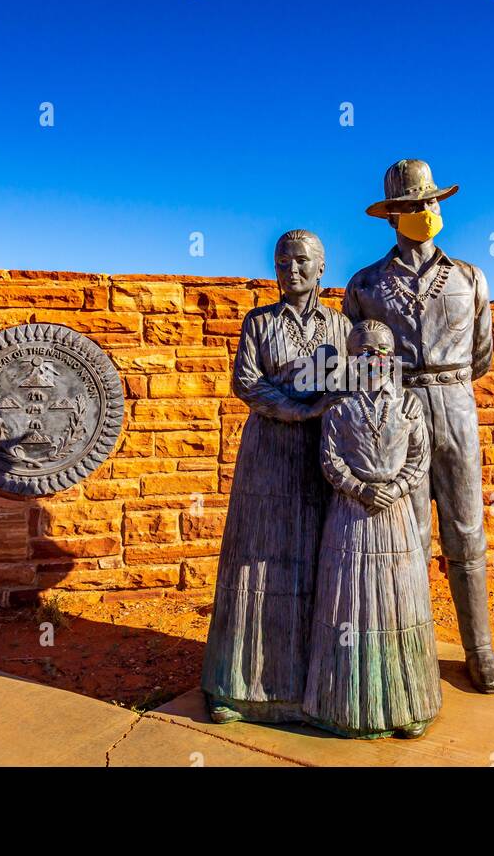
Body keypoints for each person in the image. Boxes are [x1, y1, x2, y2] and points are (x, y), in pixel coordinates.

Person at [343, 159, 494, 693]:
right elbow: (352, 356)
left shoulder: (469, 277)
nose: (427, 211)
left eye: (432, 202)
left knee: (467, 530)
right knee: (406, 535)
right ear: (393, 215)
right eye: (415, 205)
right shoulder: (366, 284)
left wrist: (448, 384)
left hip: (456, 403)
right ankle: (412, 650)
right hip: (398, 408)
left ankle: (478, 650)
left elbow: (481, 354)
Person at [200, 229, 352, 724]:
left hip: (320, 454)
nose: (291, 269)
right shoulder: (258, 322)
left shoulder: (339, 325)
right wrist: (297, 410)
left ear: (321, 268)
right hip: (268, 452)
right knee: (255, 562)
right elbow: (247, 380)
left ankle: (310, 685)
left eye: (302, 261)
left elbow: (352, 381)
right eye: (282, 260)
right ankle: (238, 686)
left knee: (312, 559)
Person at [303, 320, 441, 739]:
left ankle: (409, 702)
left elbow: (420, 458)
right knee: (350, 601)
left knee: (400, 601)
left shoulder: (409, 406)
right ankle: (345, 707)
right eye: (363, 351)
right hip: (350, 518)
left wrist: (395, 488)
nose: (374, 359)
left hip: (395, 517)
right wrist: (359, 489)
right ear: (351, 359)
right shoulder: (339, 409)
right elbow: (330, 460)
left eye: (382, 351)